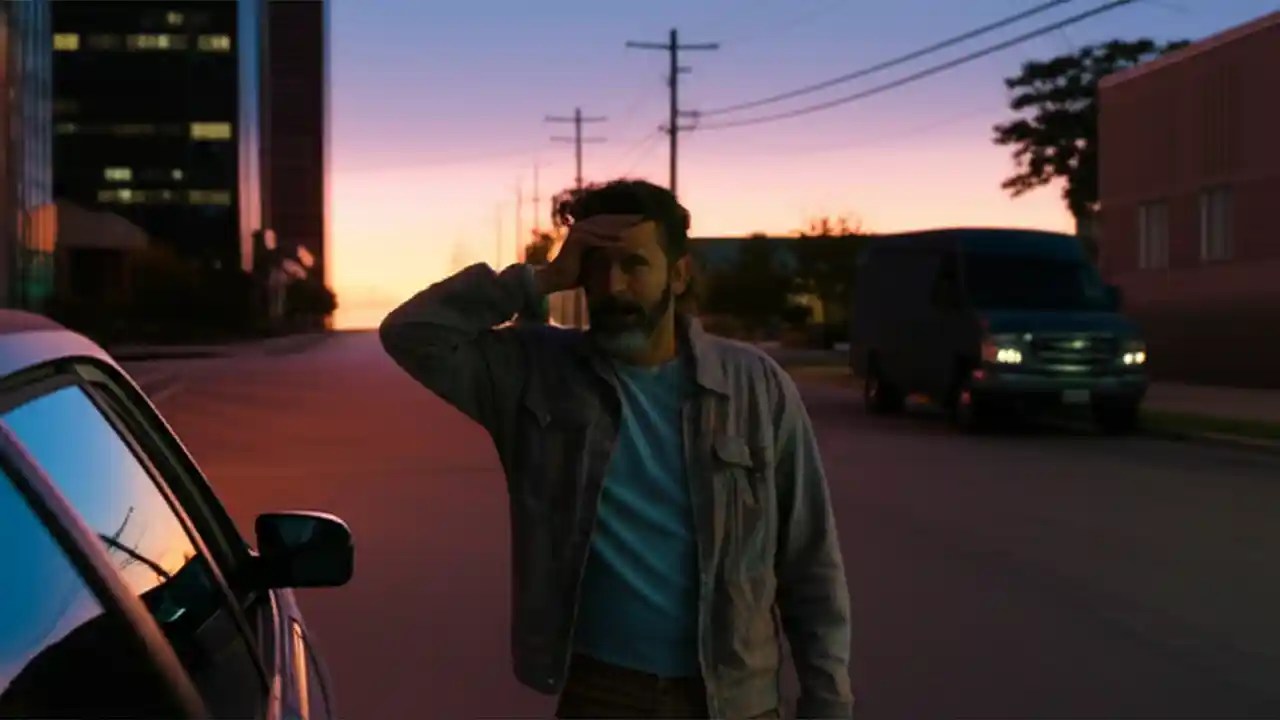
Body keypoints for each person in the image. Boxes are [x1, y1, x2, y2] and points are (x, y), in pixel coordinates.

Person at [379, 179, 852, 719]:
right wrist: (543, 278)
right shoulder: (535, 374)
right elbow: (411, 333)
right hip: (602, 696)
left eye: (634, 265)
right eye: (594, 265)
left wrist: (828, 701)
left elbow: (810, 561)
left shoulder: (755, 388)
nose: (612, 284)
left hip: (735, 698)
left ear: (678, 274)